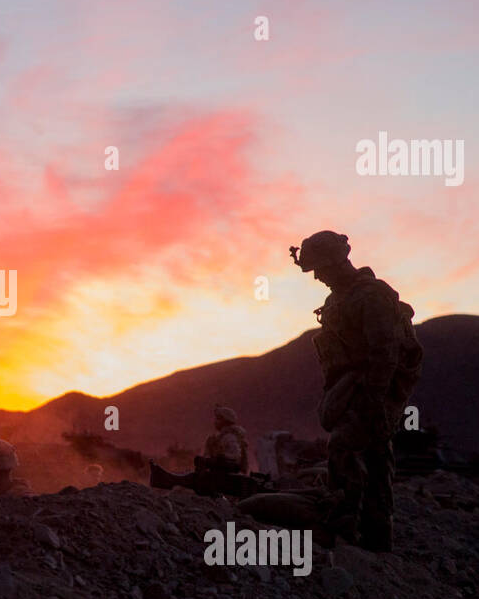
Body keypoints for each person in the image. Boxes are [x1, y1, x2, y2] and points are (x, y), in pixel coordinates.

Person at [291, 230, 423, 552]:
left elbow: (385, 352)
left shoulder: (371, 296)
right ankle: (364, 537)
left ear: (338, 262)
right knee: (366, 458)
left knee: (350, 450)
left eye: (320, 268)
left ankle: (357, 535)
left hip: (373, 391)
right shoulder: (336, 300)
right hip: (349, 390)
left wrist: (374, 400)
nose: (318, 277)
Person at [149, 406, 266, 497]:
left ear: (223, 421)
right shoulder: (220, 437)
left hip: (227, 476)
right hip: (221, 473)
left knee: (195, 479)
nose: (215, 421)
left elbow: (233, 460)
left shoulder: (229, 437)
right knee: (191, 477)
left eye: (218, 419)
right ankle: (163, 478)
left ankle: (164, 479)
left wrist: (211, 462)